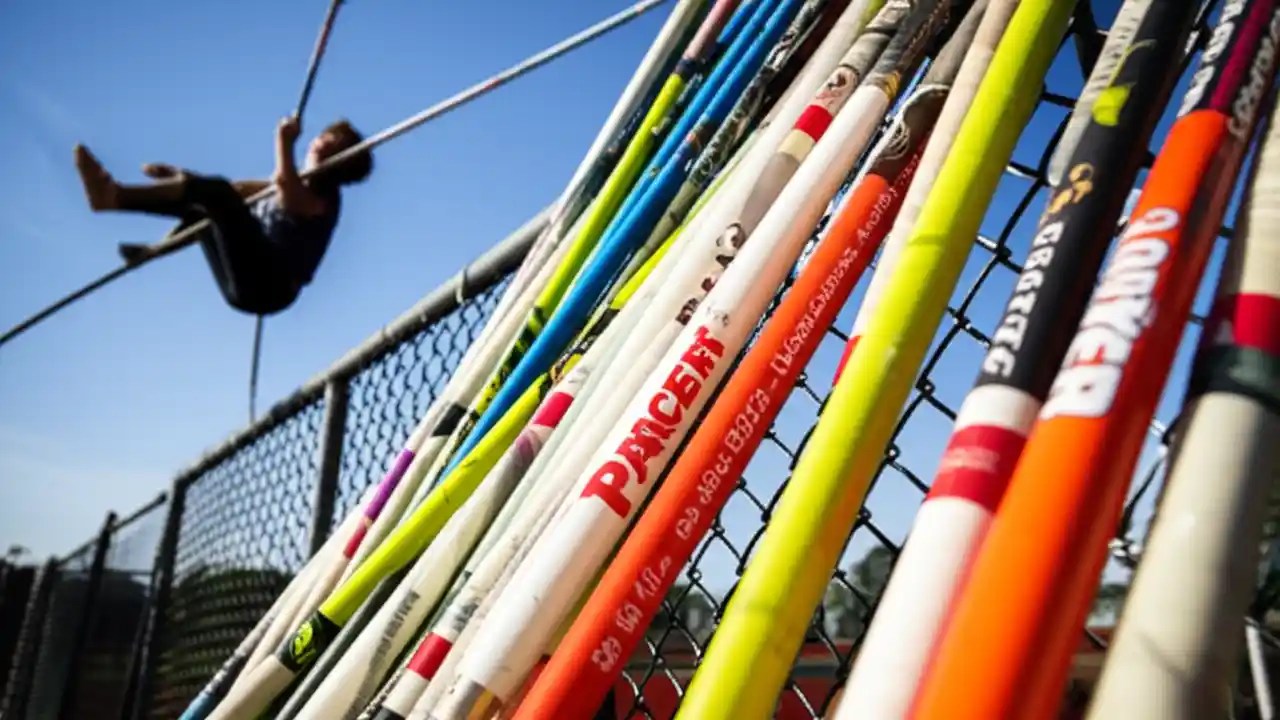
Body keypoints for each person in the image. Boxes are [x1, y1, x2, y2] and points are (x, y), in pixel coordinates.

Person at [72, 117, 374, 316]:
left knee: (216, 196)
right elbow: (236, 190)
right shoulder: (285, 182)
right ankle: (152, 251)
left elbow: (286, 190)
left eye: (337, 144)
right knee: (208, 205)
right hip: (241, 285)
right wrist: (184, 181)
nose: (326, 140)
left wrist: (282, 141)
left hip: (271, 287)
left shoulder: (325, 199)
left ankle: (114, 196)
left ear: (341, 164)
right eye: (328, 134)